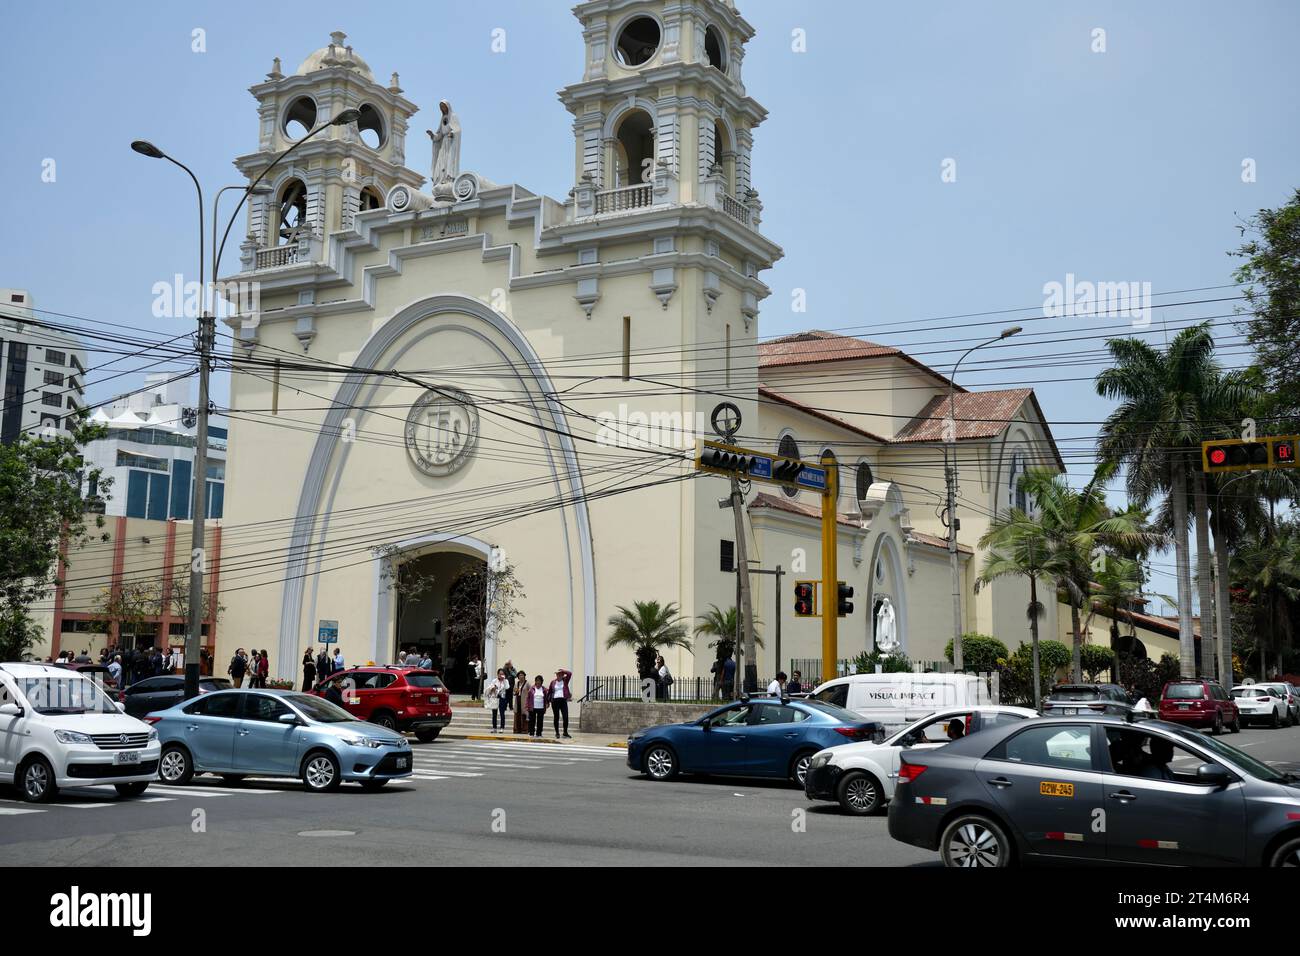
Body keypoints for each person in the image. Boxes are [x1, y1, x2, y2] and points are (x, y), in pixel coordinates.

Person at [548, 667, 573, 739]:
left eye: (560, 674)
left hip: (563, 700)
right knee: (556, 717)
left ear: (562, 675)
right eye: (557, 674)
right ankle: (557, 732)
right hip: (555, 701)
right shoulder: (553, 682)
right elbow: (550, 691)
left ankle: (565, 732)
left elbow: (570, 674)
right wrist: (548, 701)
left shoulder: (565, 681)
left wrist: (563, 671)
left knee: (565, 716)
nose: (558, 676)